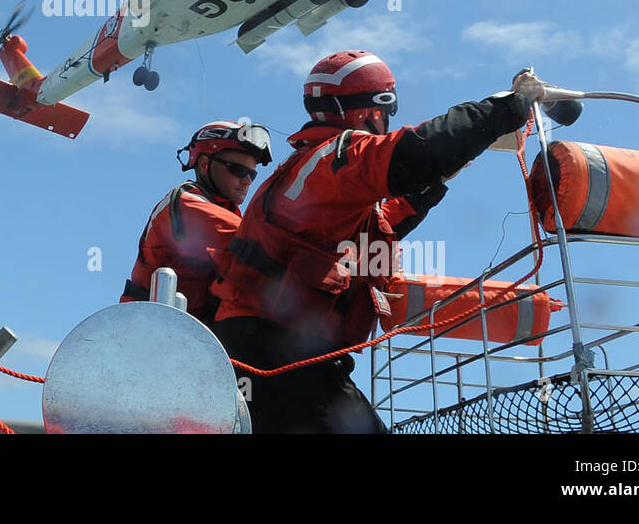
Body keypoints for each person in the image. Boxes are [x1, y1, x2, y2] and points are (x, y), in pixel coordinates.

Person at [210, 50, 547, 433]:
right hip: (279, 354)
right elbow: (415, 152)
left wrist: (442, 174)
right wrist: (507, 107)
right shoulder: (336, 157)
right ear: (372, 111)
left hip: (268, 353)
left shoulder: (315, 170)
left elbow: (382, 223)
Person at [121, 120, 272, 325]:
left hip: (189, 334)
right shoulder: (188, 202)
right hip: (148, 331)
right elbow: (261, 243)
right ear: (203, 165)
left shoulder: (229, 211)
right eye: (237, 170)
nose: (247, 180)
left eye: (252, 174)